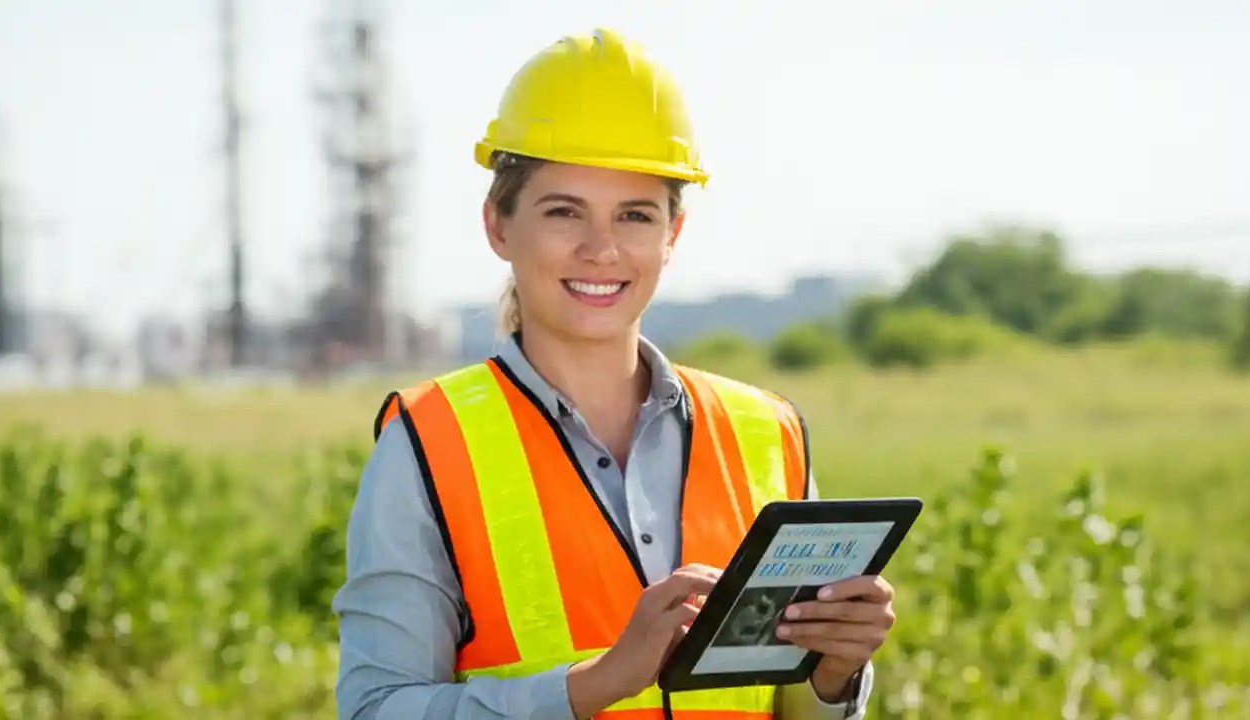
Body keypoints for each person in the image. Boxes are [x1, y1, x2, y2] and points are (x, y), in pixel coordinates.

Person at [333, 28, 898, 719]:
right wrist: (593, 684)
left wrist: (833, 678)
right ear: (498, 227)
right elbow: (375, 709)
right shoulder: (427, 441)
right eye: (564, 211)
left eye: (635, 215)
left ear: (672, 236)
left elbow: (785, 707)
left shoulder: (765, 434)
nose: (601, 250)